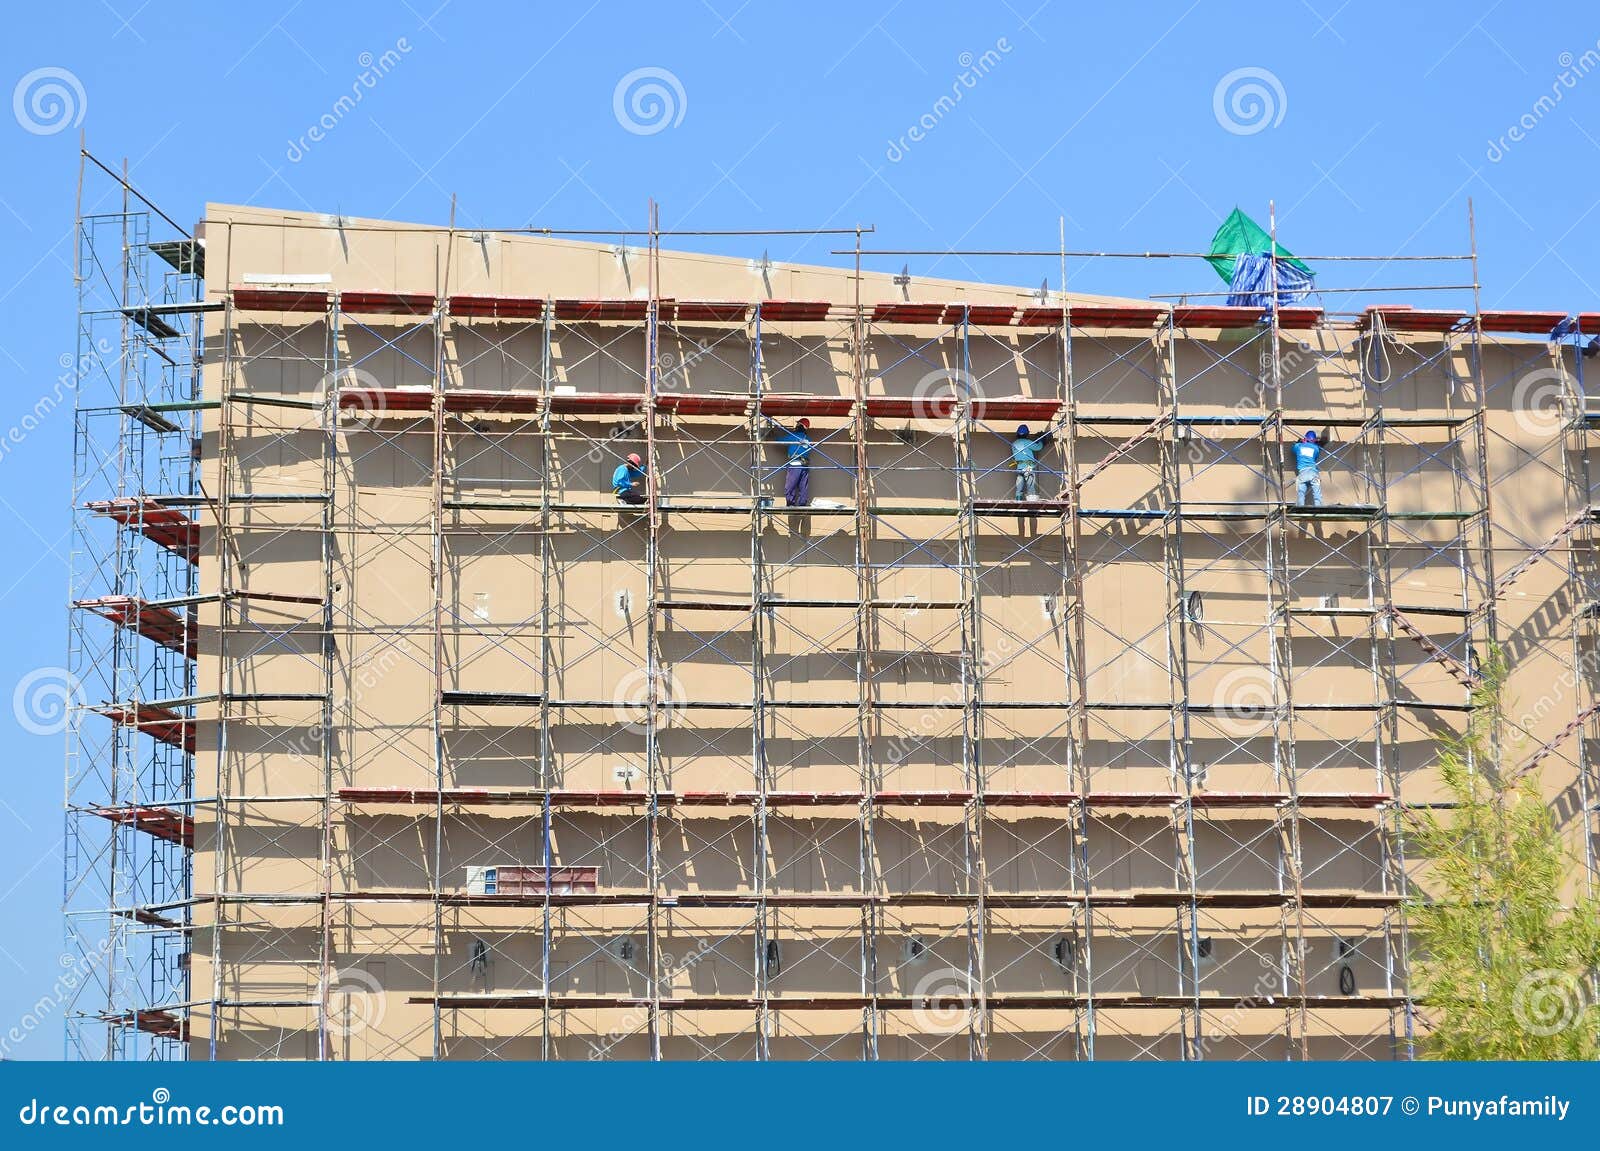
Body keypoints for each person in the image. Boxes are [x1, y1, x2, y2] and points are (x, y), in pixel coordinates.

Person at [772, 417, 813, 507]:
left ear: (800, 426)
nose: (796, 426)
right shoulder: (809, 439)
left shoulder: (793, 436)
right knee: (803, 487)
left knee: (790, 486)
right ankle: (802, 504)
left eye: (798, 424)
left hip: (795, 465)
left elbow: (780, 441)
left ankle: (790, 503)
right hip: (805, 466)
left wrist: (772, 435)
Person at [1010, 424, 1047, 501]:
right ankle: (1031, 501)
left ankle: (1018, 501)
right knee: (1030, 486)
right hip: (1028, 467)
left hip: (1019, 468)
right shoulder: (1027, 442)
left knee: (1019, 486)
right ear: (1027, 434)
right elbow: (1038, 447)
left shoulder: (1014, 444)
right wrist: (1042, 440)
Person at [1293, 430, 1323, 507]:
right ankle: (1319, 508)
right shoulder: (1316, 448)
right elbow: (1315, 457)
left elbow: (1293, 450)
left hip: (1302, 472)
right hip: (1313, 472)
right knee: (1317, 494)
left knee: (1301, 493)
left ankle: (1300, 509)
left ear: (1305, 438)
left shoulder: (1298, 446)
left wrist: (1299, 442)